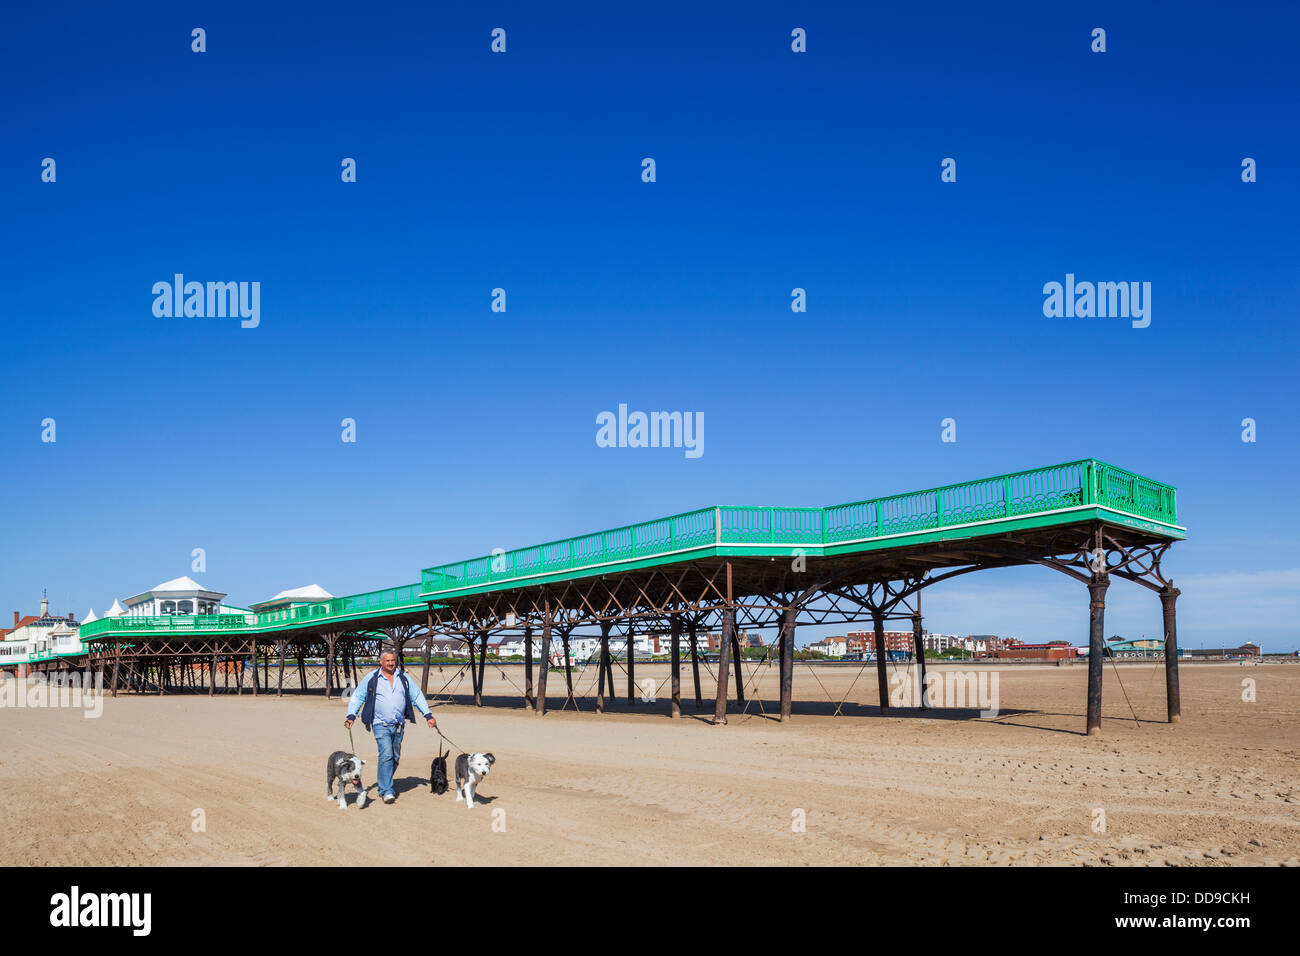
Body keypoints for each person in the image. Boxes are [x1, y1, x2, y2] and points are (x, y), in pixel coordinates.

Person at [344, 650, 437, 804]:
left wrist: (428, 715)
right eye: (387, 660)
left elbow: (417, 695)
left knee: (394, 757)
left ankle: (383, 781)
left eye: (393, 660)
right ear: (380, 661)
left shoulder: (403, 677)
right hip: (380, 723)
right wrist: (351, 716)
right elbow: (358, 696)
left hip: (399, 724)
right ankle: (386, 790)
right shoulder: (372, 678)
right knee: (386, 754)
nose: (391, 663)